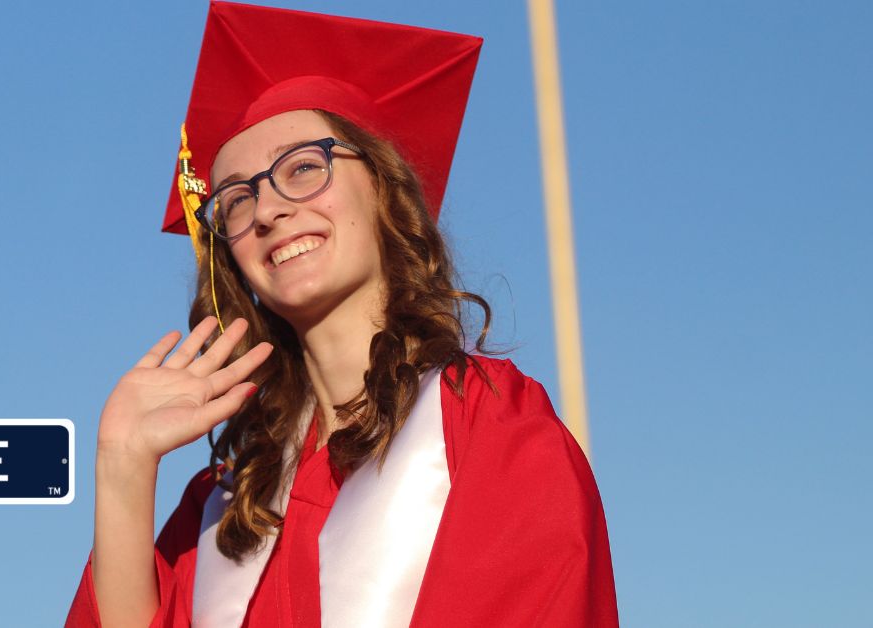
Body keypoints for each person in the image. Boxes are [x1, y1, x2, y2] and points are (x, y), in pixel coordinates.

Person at [66, 2, 618, 626]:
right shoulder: (228, 504)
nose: (268, 209)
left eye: (304, 166)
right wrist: (123, 467)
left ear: (384, 186)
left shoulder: (486, 423)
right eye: (237, 199)